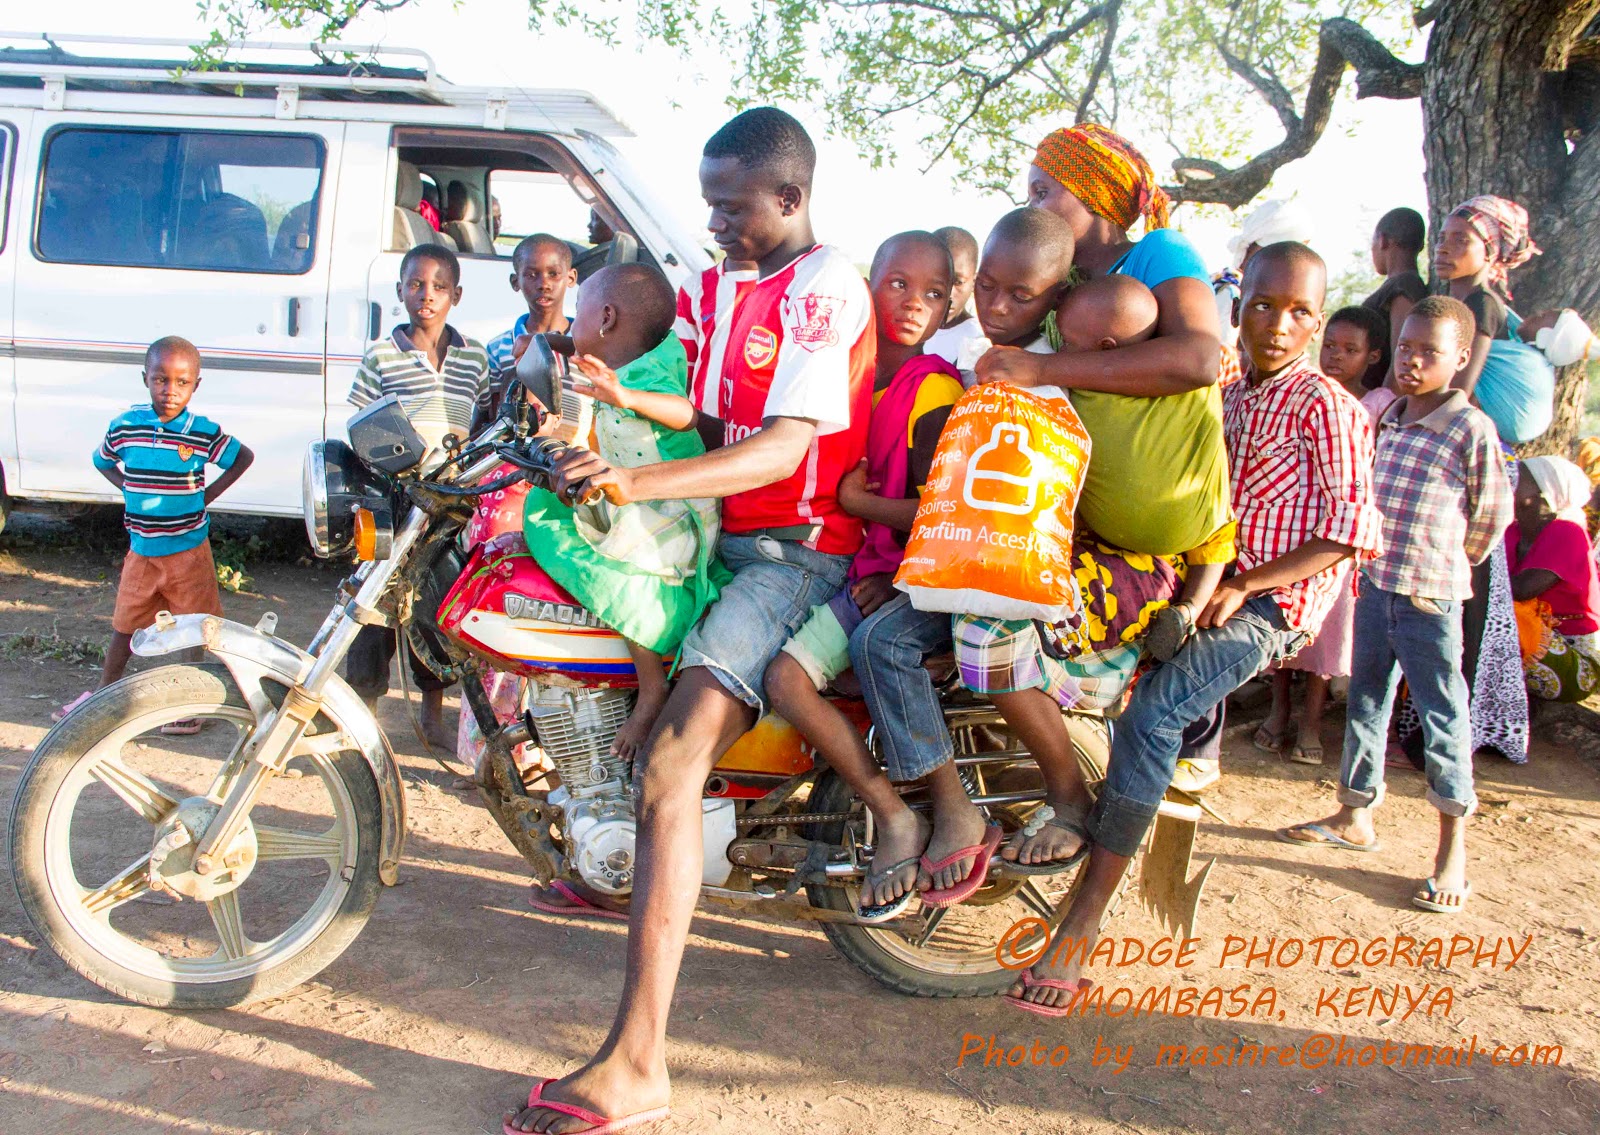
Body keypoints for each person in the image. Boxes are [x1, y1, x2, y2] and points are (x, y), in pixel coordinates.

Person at [503, 107, 873, 1135]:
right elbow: (711, 420)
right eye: (708, 204)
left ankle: (638, 1063)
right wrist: (614, 403)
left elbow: (777, 451)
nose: (712, 224)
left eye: (730, 207)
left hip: (795, 552)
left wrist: (631, 473)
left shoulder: (823, 287)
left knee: (670, 763)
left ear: (789, 200)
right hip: (726, 534)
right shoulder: (721, 287)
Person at [1006, 242, 1383, 1013]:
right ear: (1238, 308)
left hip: (1271, 603)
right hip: (1194, 580)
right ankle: (1066, 803)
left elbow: (1348, 531)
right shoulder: (1228, 387)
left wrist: (1246, 583)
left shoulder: (1331, 406)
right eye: (1264, 306)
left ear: (1317, 323)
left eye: (1300, 312)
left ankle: (1082, 925)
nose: (1278, 325)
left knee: (1156, 711)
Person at [975, 122, 1233, 797]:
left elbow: (1202, 356)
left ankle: (1074, 781)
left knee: (998, 634)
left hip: (1152, 539)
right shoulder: (1063, 282)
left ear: (1097, 197)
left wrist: (1039, 366)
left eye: (1045, 190)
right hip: (1084, 522)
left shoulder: (1157, 253)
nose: (1030, 203)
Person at [1282, 296, 1511, 917]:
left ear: (1461, 359)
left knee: (1443, 718)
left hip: (1430, 596)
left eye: (1429, 353)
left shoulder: (1471, 429)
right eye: (1406, 348)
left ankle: (1451, 849)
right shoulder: (1391, 418)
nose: (1412, 361)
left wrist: (1444, 562)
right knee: (1366, 702)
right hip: (1377, 586)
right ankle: (1356, 813)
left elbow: (1491, 518)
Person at [762, 231, 964, 919]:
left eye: (933, 293)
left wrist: (863, 509)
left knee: (785, 678)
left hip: (897, 575)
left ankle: (897, 813)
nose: (912, 303)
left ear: (949, 306)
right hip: (845, 562)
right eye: (898, 284)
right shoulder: (852, 370)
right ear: (868, 282)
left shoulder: (933, 388)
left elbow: (946, 510)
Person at [527, 263, 726, 761]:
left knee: (623, 577)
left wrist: (626, 396)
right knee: (546, 507)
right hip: (638, 497)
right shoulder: (607, 367)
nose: (571, 326)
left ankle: (651, 686)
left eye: (578, 316)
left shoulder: (654, 370)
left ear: (607, 318)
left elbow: (688, 416)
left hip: (672, 513)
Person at [1395, 195, 1540, 767]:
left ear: (1492, 251)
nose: (1447, 248)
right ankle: (1421, 730)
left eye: (1462, 240)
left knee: (1461, 605)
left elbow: (1461, 386)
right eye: (1445, 238)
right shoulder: (1454, 299)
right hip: (1435, 452)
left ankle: (1448, 738)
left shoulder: (1481, 303)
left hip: (1462, 461)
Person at [54, 337, 254, 727]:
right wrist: (126, 487)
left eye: (181, 382)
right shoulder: (126, 426)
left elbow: (242, 458)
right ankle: (103, 694)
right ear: (145, 378)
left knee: (193, 628)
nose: (170, 390)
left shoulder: (201, 431)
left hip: (188, 551)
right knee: (124, 625)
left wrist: (204, 496)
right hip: (142, 550)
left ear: (196, 385)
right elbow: (101, 459)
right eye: (160, 380)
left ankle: (190, 708)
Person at [346, 243, 490, 748]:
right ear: (400, 291)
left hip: (451, 499)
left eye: (438, 287)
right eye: (415, 284)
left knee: (437, 602)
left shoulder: (474, 355)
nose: (425, 295)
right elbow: (360, 423)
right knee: (377, 602)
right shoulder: (382, 354)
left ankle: (433, 711)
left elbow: (485, 414)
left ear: (456, 295)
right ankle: (362, 709)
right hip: (397, 496)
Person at [1258, 304, 1388, 764]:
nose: (1335, 355)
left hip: (1332, 548)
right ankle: (1278, 710)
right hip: (1291, 538)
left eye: (1349, 349)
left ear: (1372, 356)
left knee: (1324, 642)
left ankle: (1310, 723)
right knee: (1279, 643)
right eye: (1330, 345)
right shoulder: (1301, 396)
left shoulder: (1375, 405)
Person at [1507, 456, 1600, 702]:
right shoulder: (1512, 531)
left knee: (1505, 619)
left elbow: (1522, 590)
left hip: (1575, 662)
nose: (1511, 480)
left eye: (1521, 477)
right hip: (1533, 640)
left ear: (1543, 491)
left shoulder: (1567, 531)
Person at [485, 234, 576, 384]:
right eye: (532, 275)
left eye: (553, 274)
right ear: (515, 282)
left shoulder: (586, 342)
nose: (544, 284)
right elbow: (496, 406)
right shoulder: (499, 347)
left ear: (570, 278)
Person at [1362, 206, 1429, 369]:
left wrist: (1384, 395)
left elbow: (1402, 358)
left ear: (1383, 240)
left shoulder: (1405, 286)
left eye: (1373, 242)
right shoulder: (1401, 284)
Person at [924, 225, 984, 369]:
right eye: (938, 281)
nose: (949, 294)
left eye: (958, 282)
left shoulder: (975, 341)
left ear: (973, 283)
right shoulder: (909, 324)